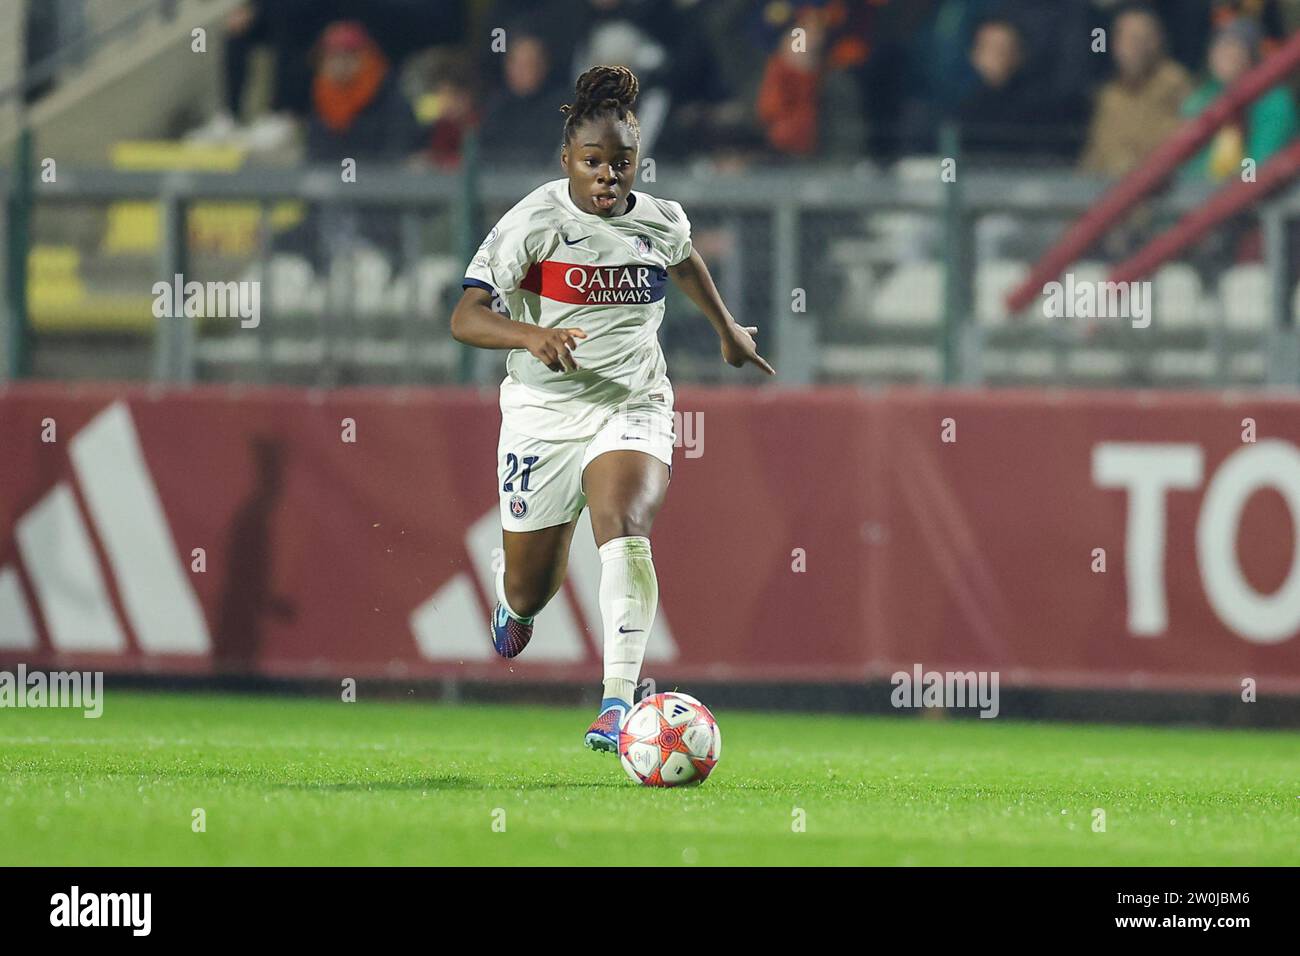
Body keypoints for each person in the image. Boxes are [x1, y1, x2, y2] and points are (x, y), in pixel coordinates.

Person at [450, 65, 774, 752]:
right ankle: (515, 601)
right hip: (542, 413)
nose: (607, 175)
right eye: (592, 161)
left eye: (621, 162)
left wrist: (727, 330)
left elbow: (683, 260)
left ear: (637, 161)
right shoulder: (533, 222)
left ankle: (617, 703)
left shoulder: (660, 218)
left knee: (623, 523)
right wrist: (531, 336)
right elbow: (465, 316)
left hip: (633, 402)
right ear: (567, 158)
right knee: (532, 589)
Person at [1080, 3, 1193, 177]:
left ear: (1158, 41)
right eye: (1127, 38)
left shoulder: (1177, 88)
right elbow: (1093, 160)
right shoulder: (1109, 96)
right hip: (1108, 190)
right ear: (1115, 44)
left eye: (1143, 38)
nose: (1134, 46)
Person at [1181, 16, 1299, 181]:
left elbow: (1258, 162)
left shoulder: (1274, 102)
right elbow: (1185, 158)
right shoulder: (1205, 95)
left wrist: (1234, 186)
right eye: (1219, 45)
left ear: (1251, 57)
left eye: (1233, 47)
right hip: (1200, 189)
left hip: (1260, 189)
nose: (1224, 54)